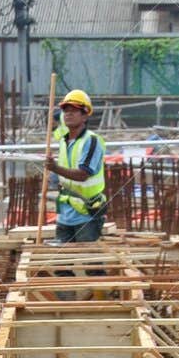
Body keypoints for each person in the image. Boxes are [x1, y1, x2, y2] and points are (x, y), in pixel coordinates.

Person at [44, 90, 107, 243]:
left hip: (86, 214)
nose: (68, 114)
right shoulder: (64, 141)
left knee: (89, 262)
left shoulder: (91, 141)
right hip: (65, 213)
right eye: (66, 110)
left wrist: (55, 168)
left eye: (74, 111)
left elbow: (83, 174)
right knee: (62, 263)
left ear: (85, 115)